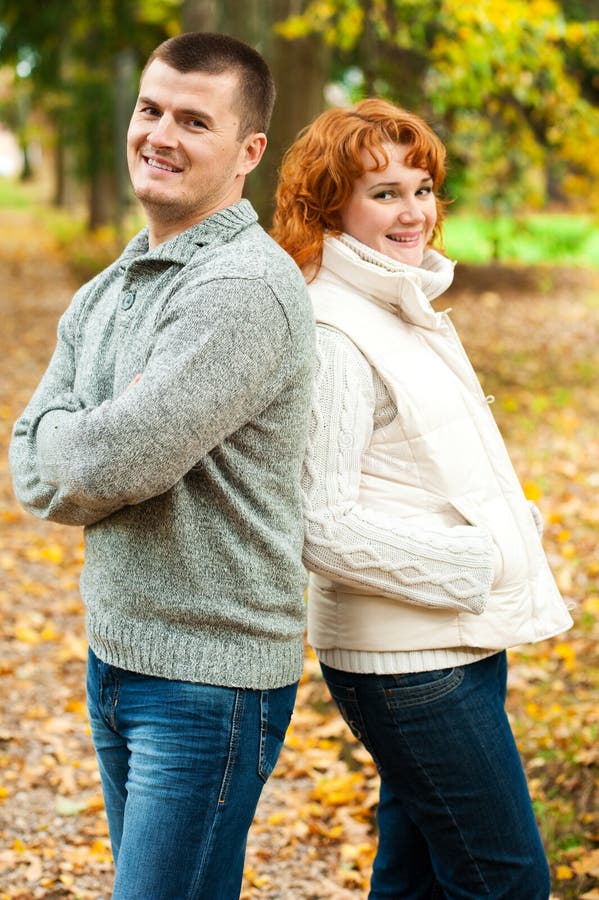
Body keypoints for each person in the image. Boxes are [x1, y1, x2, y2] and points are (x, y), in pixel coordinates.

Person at [10, 32, 314, 900]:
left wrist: (79, 432)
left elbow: (107, 464)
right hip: (119, 655)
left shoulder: (240, 289)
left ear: (248, 151)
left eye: (193, 120)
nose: (160, 135)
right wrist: (86, 437)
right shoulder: (113, 285)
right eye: (151, 110)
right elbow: (31, 467)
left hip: (207, 681)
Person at [272, 98, 573, 899]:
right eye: (383, 193)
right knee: (505, 881)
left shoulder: (395, 303)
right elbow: (318, 522)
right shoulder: (335, 331)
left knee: (416, 882)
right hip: (408, 658)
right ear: (330, 203)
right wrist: (474, 562)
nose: (412, 212)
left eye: (421, 187)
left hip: (451, 637)